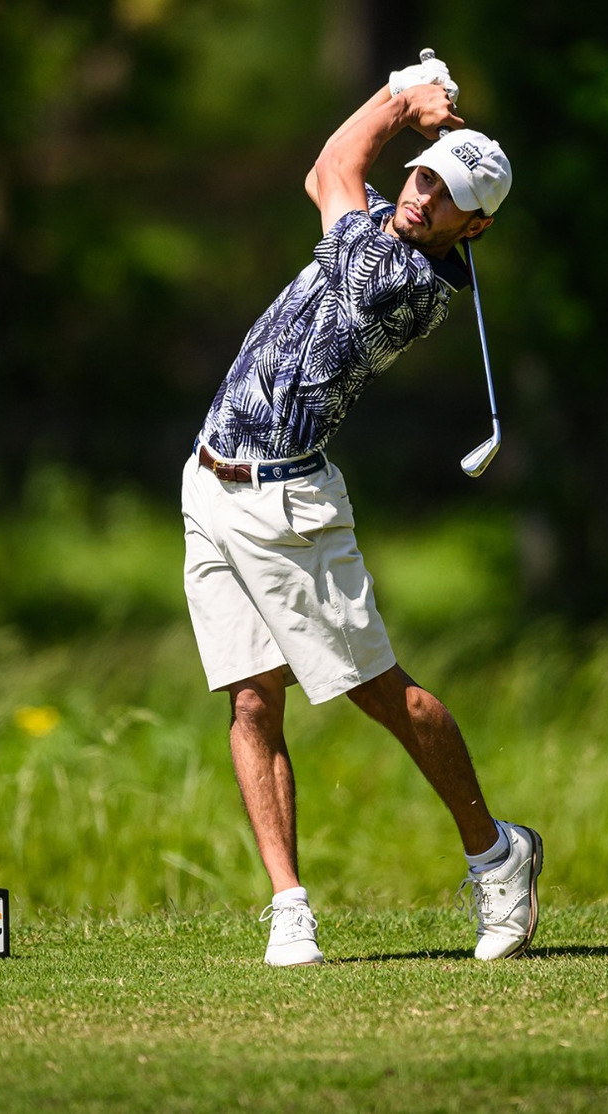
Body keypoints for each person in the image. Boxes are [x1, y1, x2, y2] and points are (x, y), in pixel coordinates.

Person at [180, 52, 540, 966]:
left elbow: (332, 169)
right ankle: (289, 904)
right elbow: (342, 177)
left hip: (289, 507)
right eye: (423, 174)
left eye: (446, 194)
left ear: (475, 229)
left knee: (381, 694)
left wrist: (398, 96)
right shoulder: (392, 224)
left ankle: (497, 854)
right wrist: (419, 111)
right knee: (252, 701)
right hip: (209, 482)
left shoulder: (398, 279)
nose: (420, 195)